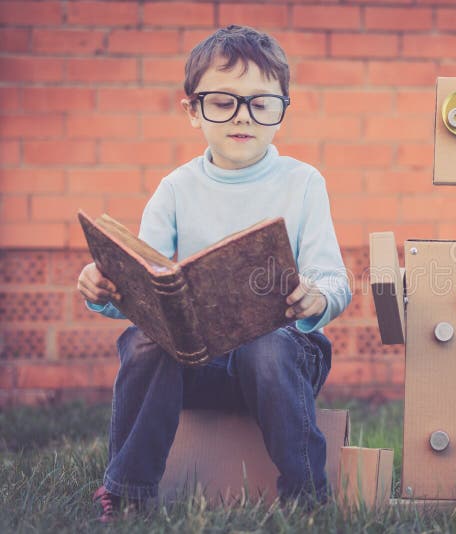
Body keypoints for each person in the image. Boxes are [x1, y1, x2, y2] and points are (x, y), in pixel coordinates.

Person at [76, 25, 351, 522]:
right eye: (223, 101)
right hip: (195, 363)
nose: (242, 116)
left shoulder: (303, 183)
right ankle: (127, 491)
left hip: (282, 362)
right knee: (144, 339)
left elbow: (334, 278)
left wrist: (317, 296)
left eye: (261, 102)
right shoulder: (176, 189)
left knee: (266, 344)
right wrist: (105, 289)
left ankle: (307, 496)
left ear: (283, 108)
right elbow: (147, 283)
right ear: (192, 110)